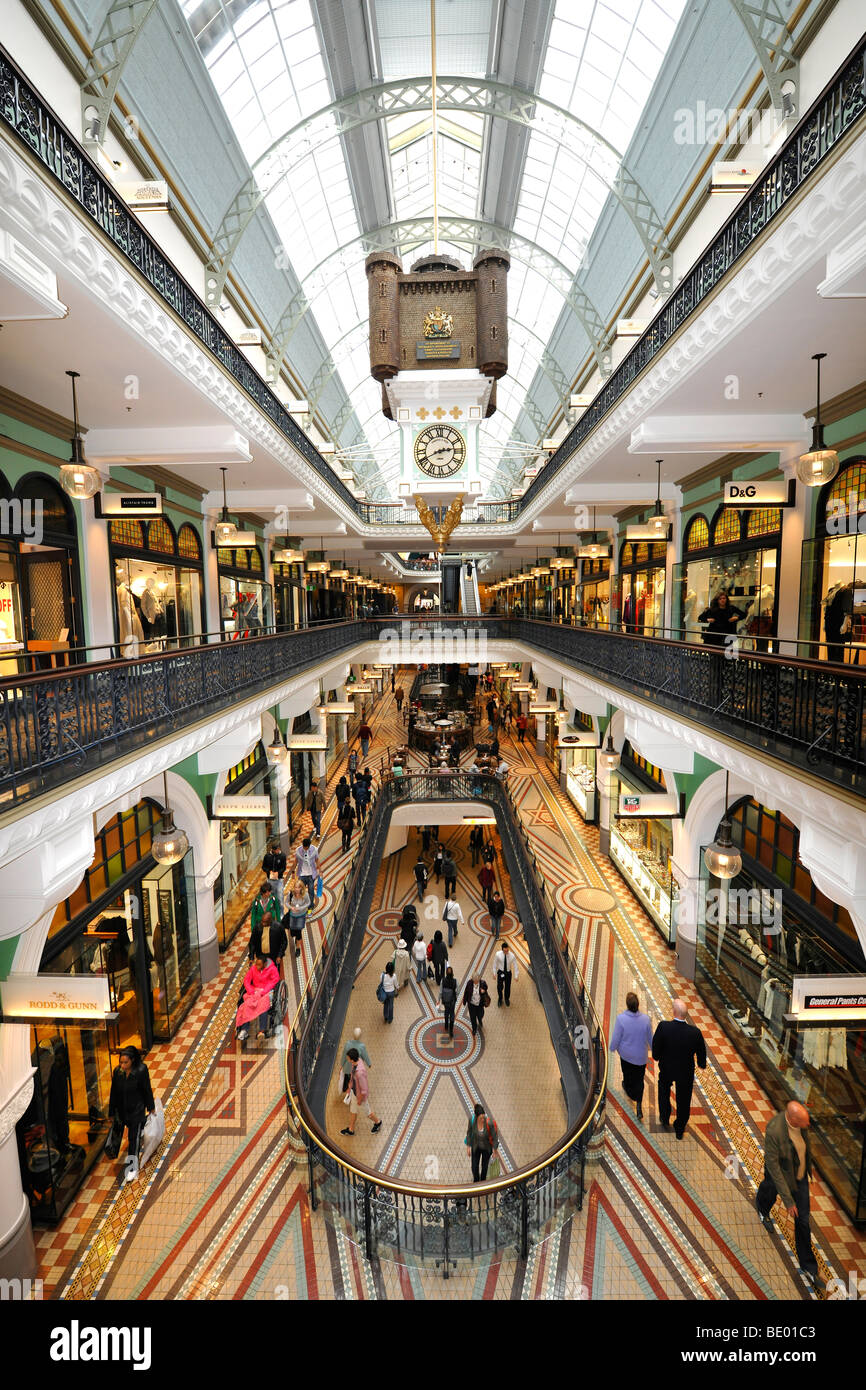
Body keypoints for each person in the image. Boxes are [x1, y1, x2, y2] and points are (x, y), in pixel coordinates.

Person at [756, 1101, 824, 1292]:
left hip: (798, 1178)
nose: (807, 1125)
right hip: (779, 1173)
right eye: (804, 1122)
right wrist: (788, 1201)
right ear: (793, 1119)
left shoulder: (801, 1126)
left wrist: (806, 1170)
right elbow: (775, 1169)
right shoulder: (774, 1131)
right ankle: (762, 1208)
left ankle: (809, 1267)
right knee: (770, 1190)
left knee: (803, 1221)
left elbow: (804, 1149)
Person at [651, 999, 707, 1139]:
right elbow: (702, 1053)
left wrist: (656, 1056)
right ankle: (680, 1128)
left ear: (674, 1012)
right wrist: (701, 1064)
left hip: (667, 1069)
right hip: (685, 1072)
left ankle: (665, 1117)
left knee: (664, 1090)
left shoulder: (664, 1027)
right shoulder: (695, 1032)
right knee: (684, 1099)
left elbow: (656, 1048)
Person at [107, 1045, 155, 1182]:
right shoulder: (118, 1072)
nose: (122, 1065)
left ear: (132, 1060)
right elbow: (113, 1092)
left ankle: (132, 1168)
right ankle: (141, 1127)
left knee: (133, 1140)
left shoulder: (141, 1070)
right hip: (122, 1111)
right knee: (127, 1133)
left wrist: (151, 1107)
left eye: (125, 1062)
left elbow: (146, 1089)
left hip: (136, 1111)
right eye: (121, 1062)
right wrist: (111, 1112)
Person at [610, 991, 653, 1120]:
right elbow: (650, 1039)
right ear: (638, 1005)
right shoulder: (646, 1020)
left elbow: (616, 1038)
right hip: (640, 1058)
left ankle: (628, 1089)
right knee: (639, 1079)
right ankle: (638, 1104)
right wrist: (654, 1051)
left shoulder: (621, 1019)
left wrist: (612, 1048)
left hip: (626, 1056)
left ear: (627, 1005)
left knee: (627, 1074)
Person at [236, 953, 280, 1042]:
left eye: (259, 965)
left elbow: (274, 980)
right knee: (246, 1005)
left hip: (266, 991)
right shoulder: (253, 968)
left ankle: (261, 1031)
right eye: (256, 964)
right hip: (254, 990)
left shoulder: (272, 969)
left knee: (263, 1005)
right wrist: (250, 991)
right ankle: (244, 1029)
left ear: (264, 964)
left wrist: (264, 991)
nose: (257, 966)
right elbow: (247, 980)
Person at [340, 1048, 381, 1136]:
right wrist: (350, 1087)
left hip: (360, 1096)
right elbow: (353, 1076)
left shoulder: (360, 1073)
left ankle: (378, 1122)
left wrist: (360, 1099)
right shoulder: (356, 1062)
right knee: (353, 1110)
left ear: (352, 1059)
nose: (347, 1058)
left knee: (368, 1113)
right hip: (354, 1092)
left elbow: (364, 1090)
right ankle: (351, 1130)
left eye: (348, 1058)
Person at [465, 1102, 499, 1182]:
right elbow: (469, 1133)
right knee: (474, 1167)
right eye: (481, 1118)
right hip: (476, 1147)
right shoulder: (472, 1121)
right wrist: (468, 1146)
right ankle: (476, 1181)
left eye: (484, 1117)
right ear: (476, 1117)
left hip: (486, 1148)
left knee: (485, 1167)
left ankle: (483, 1181)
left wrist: (495, 1151)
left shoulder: (489, 1123)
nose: (483, 1120)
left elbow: (494, 1137)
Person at [285, 876, 311, 957]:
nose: (297, 889)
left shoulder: (305, 895)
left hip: (301, 916)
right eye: (295, 887)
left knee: (298, 932)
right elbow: (286, 902)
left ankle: (298, 948)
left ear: (301, 888)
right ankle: (296, 937)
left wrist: (301, 908)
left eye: (298, 887)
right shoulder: (291, 894)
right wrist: (291, 907)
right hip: (292, 915)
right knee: (292, 932)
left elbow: (308, 903)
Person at [339, 1027, 370, 1093]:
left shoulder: (347, 1044)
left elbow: (344, 1056)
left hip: (347, 1068)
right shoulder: (362, 1046)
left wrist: (341, 1065)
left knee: (347, 1078)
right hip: (355, 1068)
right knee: (354, 1080)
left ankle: (345, 1089)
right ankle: (352, 1090)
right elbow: (365, 1056)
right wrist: (369, 1063)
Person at [261, 840, 287, 914]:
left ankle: (281, 914)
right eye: (275, 850)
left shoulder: (282, 856)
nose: (277, 851)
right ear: (272, 849)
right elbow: (263, 867)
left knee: (280, 898)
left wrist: (278, 873)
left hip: (279, 880)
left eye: (278, 849)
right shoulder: (267, 856)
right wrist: (269, 872)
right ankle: (272, 914)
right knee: (271, 899)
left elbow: (284, 867)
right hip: (270, 881)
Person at [493, 941, 518, 1006]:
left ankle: (507, 999)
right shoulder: (498, 954)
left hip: (508, 973)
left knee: (507, 987)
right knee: (499, 987)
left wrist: (516, 975)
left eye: (507, 950)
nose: (506, 952)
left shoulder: (512, 956)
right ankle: (500, 999)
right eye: (505, 951)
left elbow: (515, 965)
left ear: (508, 948)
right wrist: (494, 973)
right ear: (502, 949)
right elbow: (495, 964)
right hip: (500, 972)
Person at [440, 966, 458, 1037]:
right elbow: (457, 991)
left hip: (445, 1000)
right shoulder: (455, 981)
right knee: (452, 1013)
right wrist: (456, 997)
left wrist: (439, 999)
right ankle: (451, 1030)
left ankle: (446, 1025)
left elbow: (440, 991)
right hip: (452, 1000)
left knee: (446, 1012)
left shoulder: (443, 980)